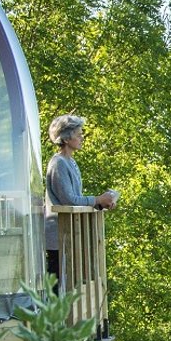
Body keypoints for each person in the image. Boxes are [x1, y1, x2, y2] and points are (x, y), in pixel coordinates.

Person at [43, 113, 118, 287]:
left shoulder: (71, 162)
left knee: (72, 279)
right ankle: (55, 314)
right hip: (59, 233)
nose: (82, 137)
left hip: (71, 230)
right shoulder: (58, 163)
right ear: (67, 138)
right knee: (57, 280)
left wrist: (101, 203)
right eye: (78, 134)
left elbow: (75, 197)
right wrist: (97, 198)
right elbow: (68, 199)